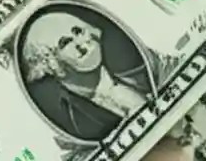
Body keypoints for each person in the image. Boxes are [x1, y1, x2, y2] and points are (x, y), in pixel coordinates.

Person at [21, 10, 151, 141]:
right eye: (65, 42)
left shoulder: (140, 67)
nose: (80, 43)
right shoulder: (74, 123)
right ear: (49, 63)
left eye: (78, 31)